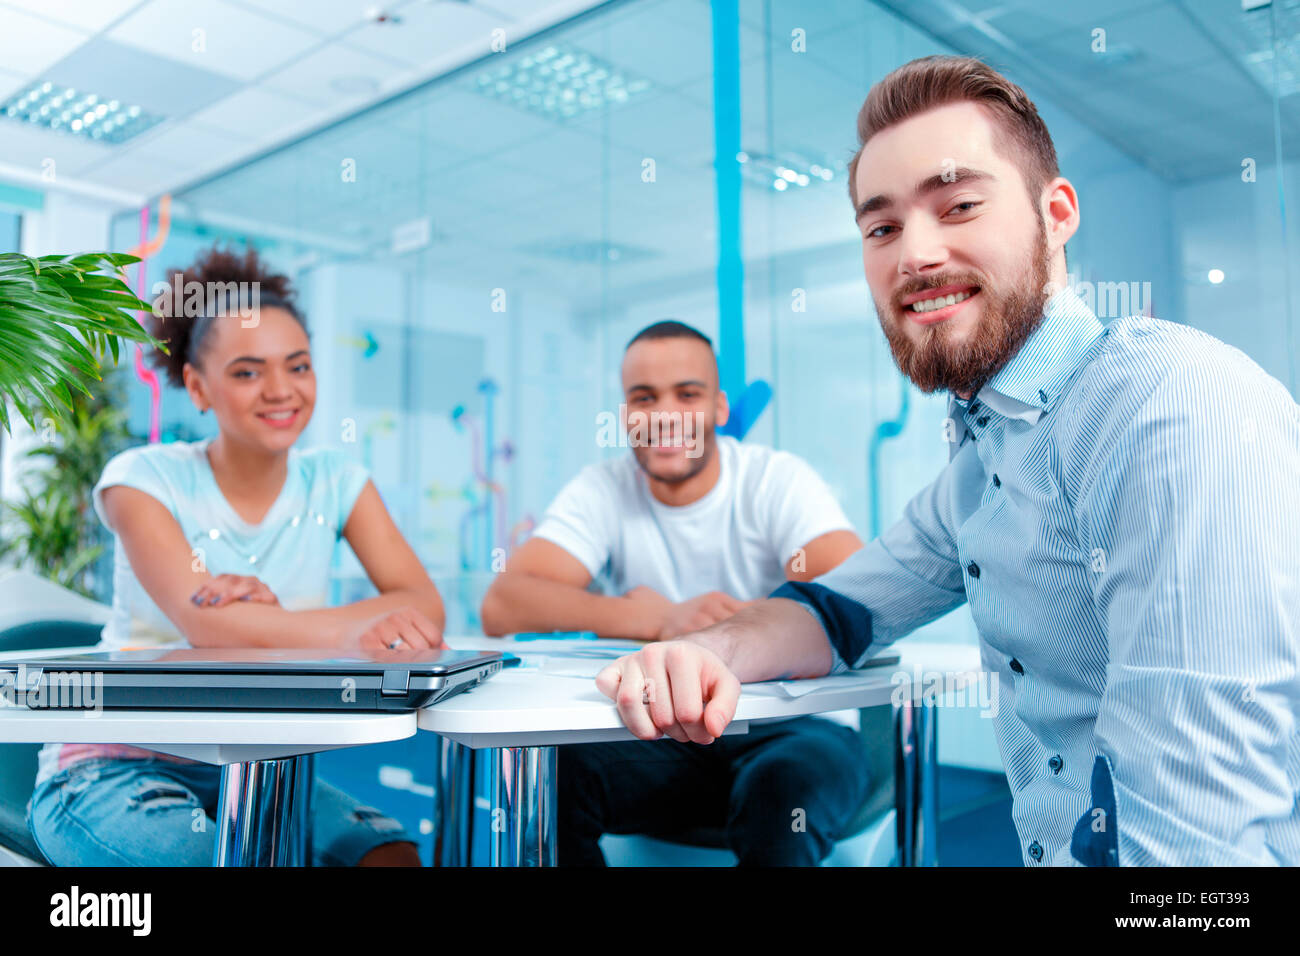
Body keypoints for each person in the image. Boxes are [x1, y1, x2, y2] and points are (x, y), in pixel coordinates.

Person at [590, 56, 1300, 866]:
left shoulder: (1165, 407)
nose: (914, 256)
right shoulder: (985, 452)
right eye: (881, 228)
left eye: (959, 204)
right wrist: (706, 652)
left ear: (1056, 212)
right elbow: (837, 610)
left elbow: (1197, 861)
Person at [28, 246, 446, 867]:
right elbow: (208, 624)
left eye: (298, 366)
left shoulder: (337, 480)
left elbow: (423, 609)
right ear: (197, 386)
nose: (281, 390)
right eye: (248, 372)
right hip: (116, 764)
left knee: (389, 857)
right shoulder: (140, 479)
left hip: (259, 762)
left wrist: (274, 625)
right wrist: (356, 624)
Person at [481, 320, 869, 866]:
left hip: (796, 727)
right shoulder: (604, 488)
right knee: (557, 779)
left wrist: (720, 635)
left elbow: (851, 595)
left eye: (687, 394)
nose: (665, 416)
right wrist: (657, 620)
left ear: (719, 408)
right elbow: (505, 603)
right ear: (625, 416)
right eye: (644, 398)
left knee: (779, 805)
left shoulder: (773, 479)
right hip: (666, 734)